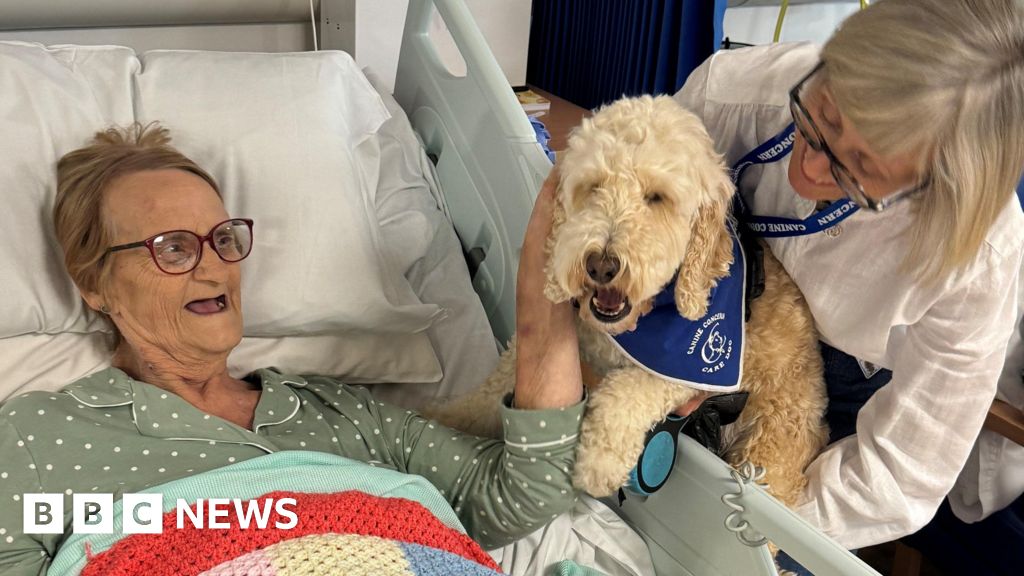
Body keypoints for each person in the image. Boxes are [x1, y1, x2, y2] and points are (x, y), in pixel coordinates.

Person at [0, 123, 587, 574]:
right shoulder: (40, 437)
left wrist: (546, 291)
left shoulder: (340, 413)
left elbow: (517, 492)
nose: (213, 269)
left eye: (222, 239)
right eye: (173, 248)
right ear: (93, 283)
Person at [672, 0, 1024, 572]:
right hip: (702, 314)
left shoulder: (979, 258)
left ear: (932, 187)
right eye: (820, 118)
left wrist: (751, 530)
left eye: (856, 172)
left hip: (846, 389)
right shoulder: (739, 90)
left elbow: (899, 472)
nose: (807, 170)